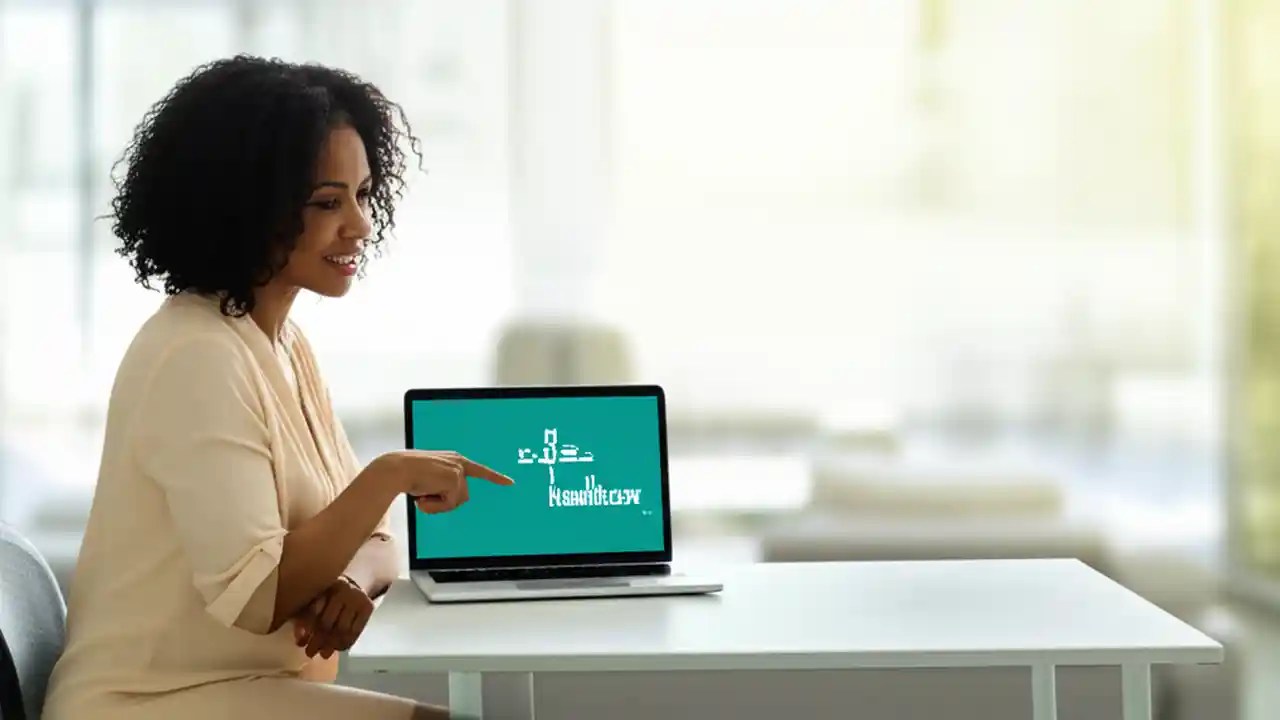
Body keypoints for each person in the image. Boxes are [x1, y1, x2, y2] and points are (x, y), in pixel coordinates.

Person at [41, 55, 514, 720]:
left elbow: (375, 539)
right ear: (246, 208)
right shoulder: (195, 357)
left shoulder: (280, 342)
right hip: (148, 703)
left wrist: (349, 579)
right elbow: (260, 596)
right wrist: (389, 473)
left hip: (248, 691)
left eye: (362, 194)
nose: (360, 225)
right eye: (327, 202)